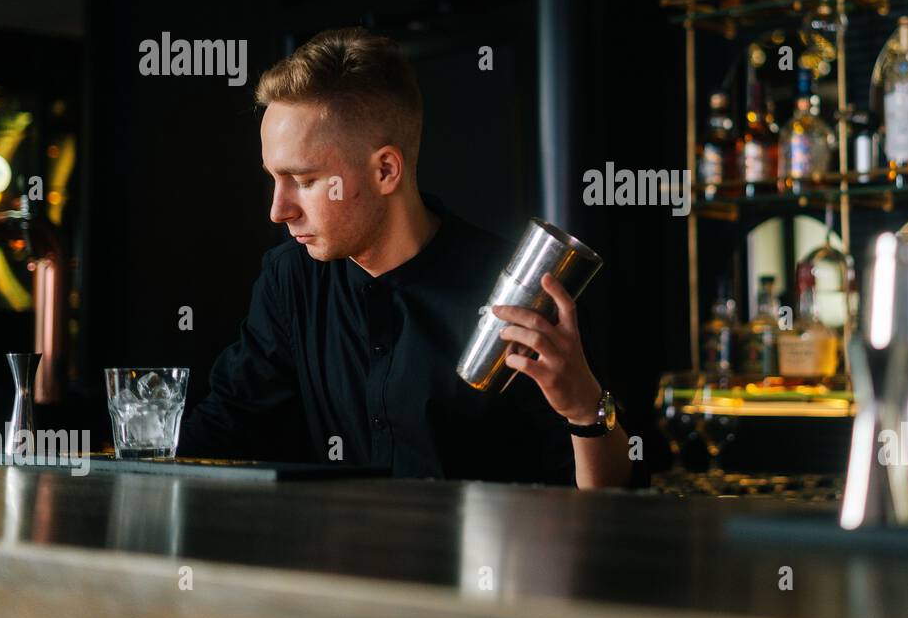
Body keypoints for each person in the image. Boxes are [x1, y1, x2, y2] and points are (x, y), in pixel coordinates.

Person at [177, 27, 644, 489]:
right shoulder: (289, 279)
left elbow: (606, 501)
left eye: (303, 180)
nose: (278, 211)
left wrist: (585, 407)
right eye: (274, 178)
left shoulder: (515, 292)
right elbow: (222, 429)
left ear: (385, 170)